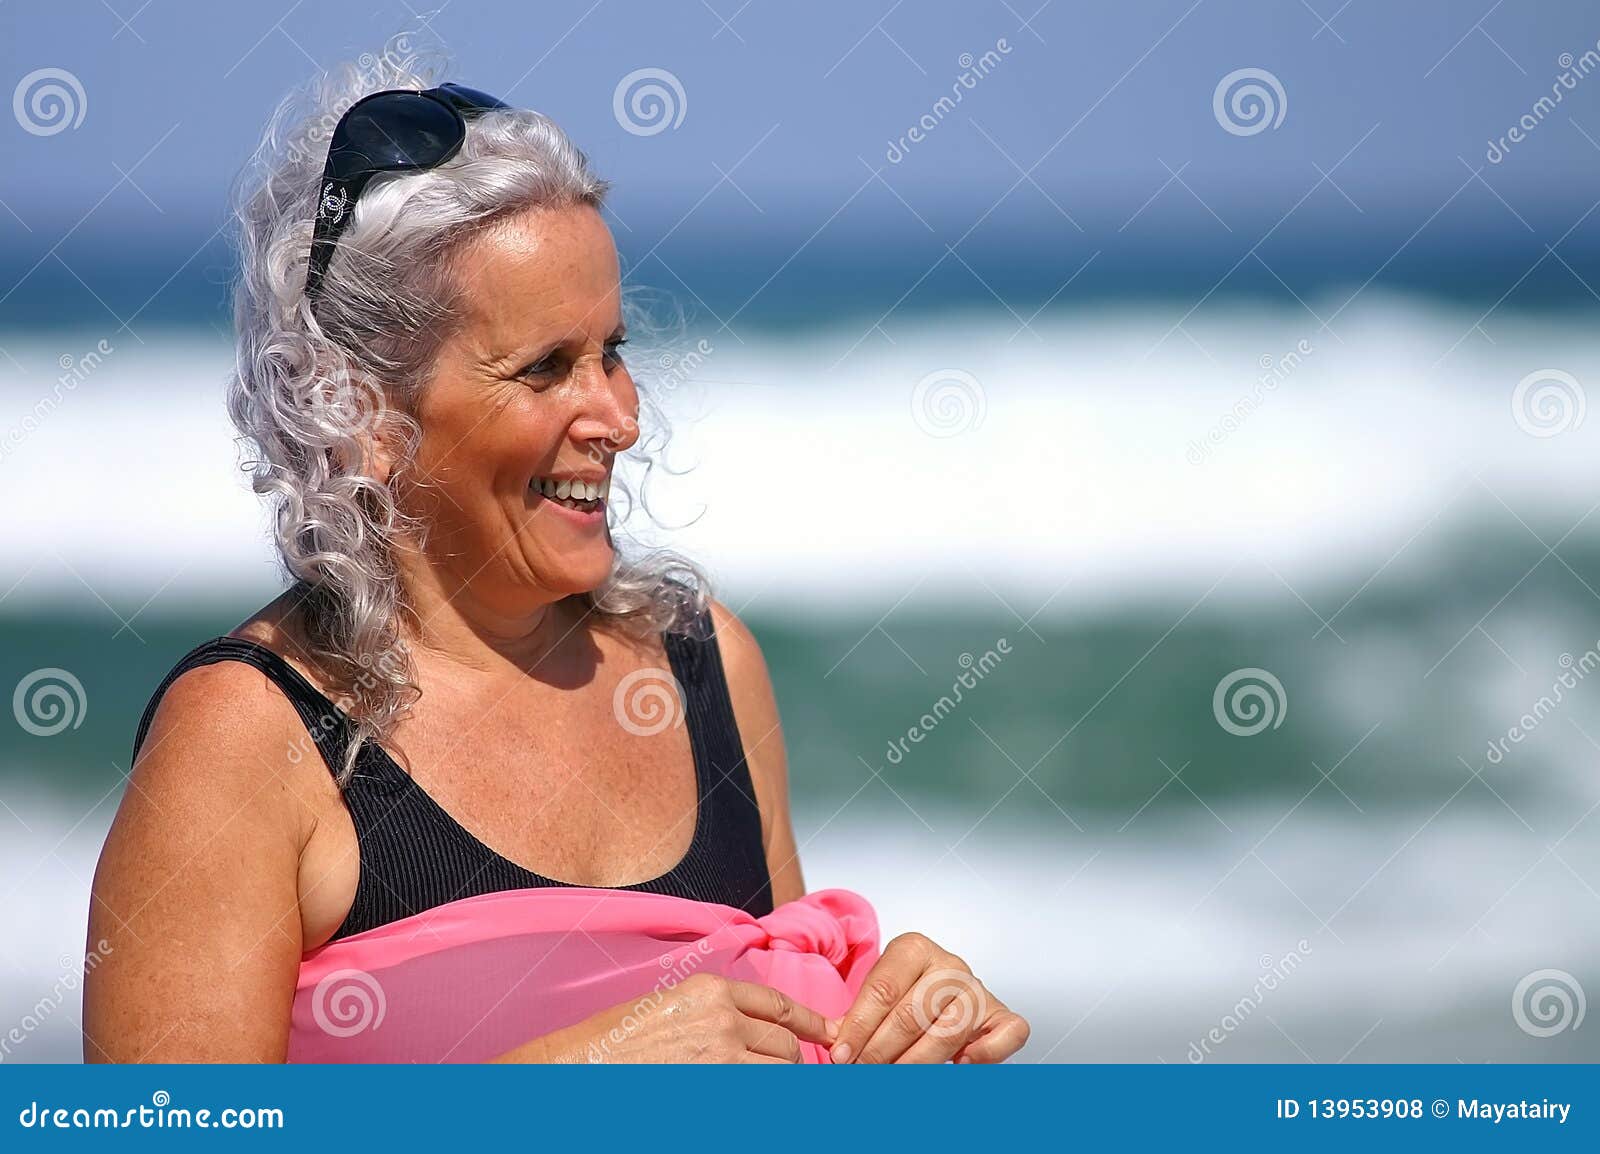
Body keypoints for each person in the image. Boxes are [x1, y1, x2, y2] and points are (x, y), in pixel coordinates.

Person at [82, 55, 1028, 1065]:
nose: (619, 416)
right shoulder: (245, 737)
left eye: (612, 352)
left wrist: (905, 1035)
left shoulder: (704, 665)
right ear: (364, 415)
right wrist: (576, 1075)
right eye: (545, 368)